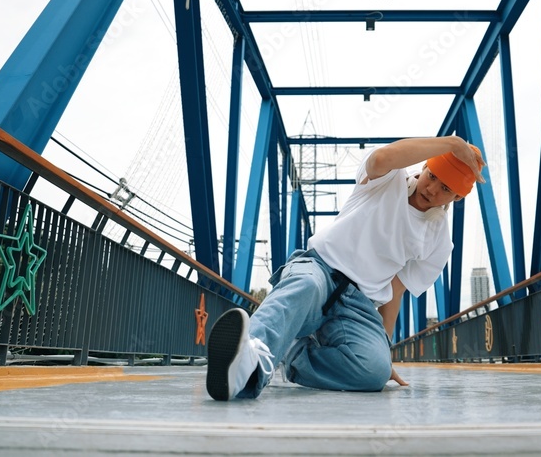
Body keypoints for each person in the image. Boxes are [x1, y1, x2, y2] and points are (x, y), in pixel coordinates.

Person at [205, 135, 485, 401]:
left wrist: (383, 354)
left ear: (457, 198)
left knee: (374, 373)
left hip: (358, 305)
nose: (431, 188)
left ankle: (291, 353)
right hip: (320, 268)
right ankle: (251, 362)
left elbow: (396, 292)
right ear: (424, 166)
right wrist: (450, 143)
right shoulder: (389, 179)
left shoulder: (439, 242)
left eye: (446, 188)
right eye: (432, 175)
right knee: (305, 286)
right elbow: (382, 157)